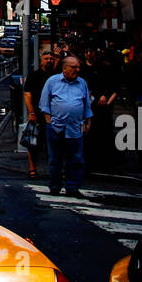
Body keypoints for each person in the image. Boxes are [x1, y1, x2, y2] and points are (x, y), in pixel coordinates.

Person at [39, 55, 92, 196]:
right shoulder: (52, 81)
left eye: (78, 67)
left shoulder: (82, 83)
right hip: (56, 126)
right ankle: (55, 186)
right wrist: (49, 121)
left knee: (76, 159)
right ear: (64, 68)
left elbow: (87, 104)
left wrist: (88, 121)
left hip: (75, 127)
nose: (77, 70)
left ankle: (72, 187)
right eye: (74, 67)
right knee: (55, 159)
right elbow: (44, 104)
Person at [23, 48, 56, 168]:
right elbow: (27, 94)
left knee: (54, 144)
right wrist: (31, 112)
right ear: (41, 61)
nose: (49, 61)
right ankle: (32, 168)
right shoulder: (34, 76)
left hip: (54, 115)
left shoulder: (57, 76)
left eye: (51, 59)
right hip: (37, 114)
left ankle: (55, 170)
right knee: (33, 143)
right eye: (46, 59)